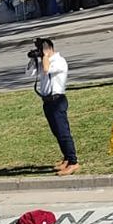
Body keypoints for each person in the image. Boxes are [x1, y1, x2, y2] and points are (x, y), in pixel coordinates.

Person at [26, 38, 79, 176]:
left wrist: (45, 57)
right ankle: (67, 158)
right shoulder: (43, 60)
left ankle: (73, 162)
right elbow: (29, 73)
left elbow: (45, 69)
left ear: (49, 49)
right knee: (56, 132)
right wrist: (34, 59)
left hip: (57, 101)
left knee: (63, 132)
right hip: (47, 101)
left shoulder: (59, 61)